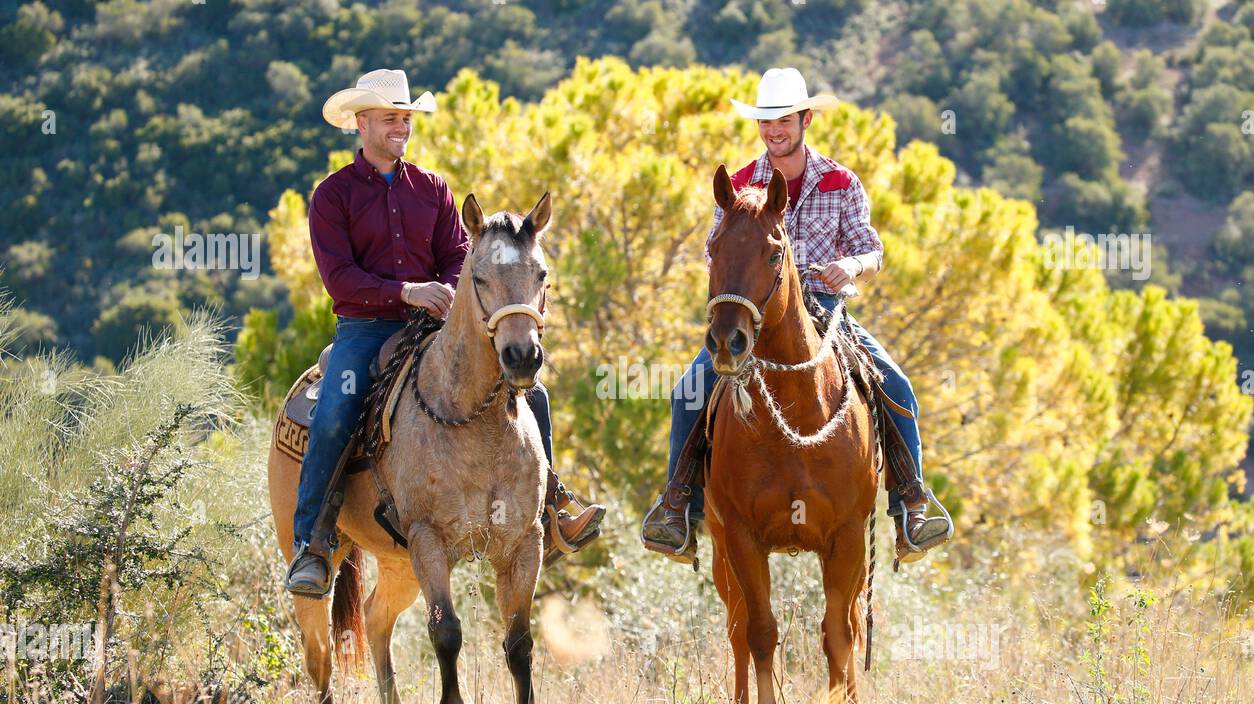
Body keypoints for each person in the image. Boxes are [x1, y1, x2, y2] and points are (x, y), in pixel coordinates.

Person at [285, 69, 603, 595]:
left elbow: (460, 256)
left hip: (439, 324)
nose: (401, 127)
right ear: (361, 123)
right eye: (390, 118)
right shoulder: (332, 197)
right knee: (338, 406)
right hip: (365, 327)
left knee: (534, 393)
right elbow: (339, 276)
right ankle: (313, 545)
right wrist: (407, 292)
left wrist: (458, 294)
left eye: (405, 118)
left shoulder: (433, 189)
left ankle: (550, 510)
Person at [640, 67, 953, 565]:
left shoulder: (840, 181)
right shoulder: (739, 184)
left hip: (824, 312)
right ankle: (678, 506)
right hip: (753, 316)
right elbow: (715, 249)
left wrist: (849, 265)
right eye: (766, 121)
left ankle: (911, 503)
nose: (774, 130)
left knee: (895, 383)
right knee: (690, 389)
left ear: (806, 119)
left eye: (783, 119)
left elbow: (872, 249)